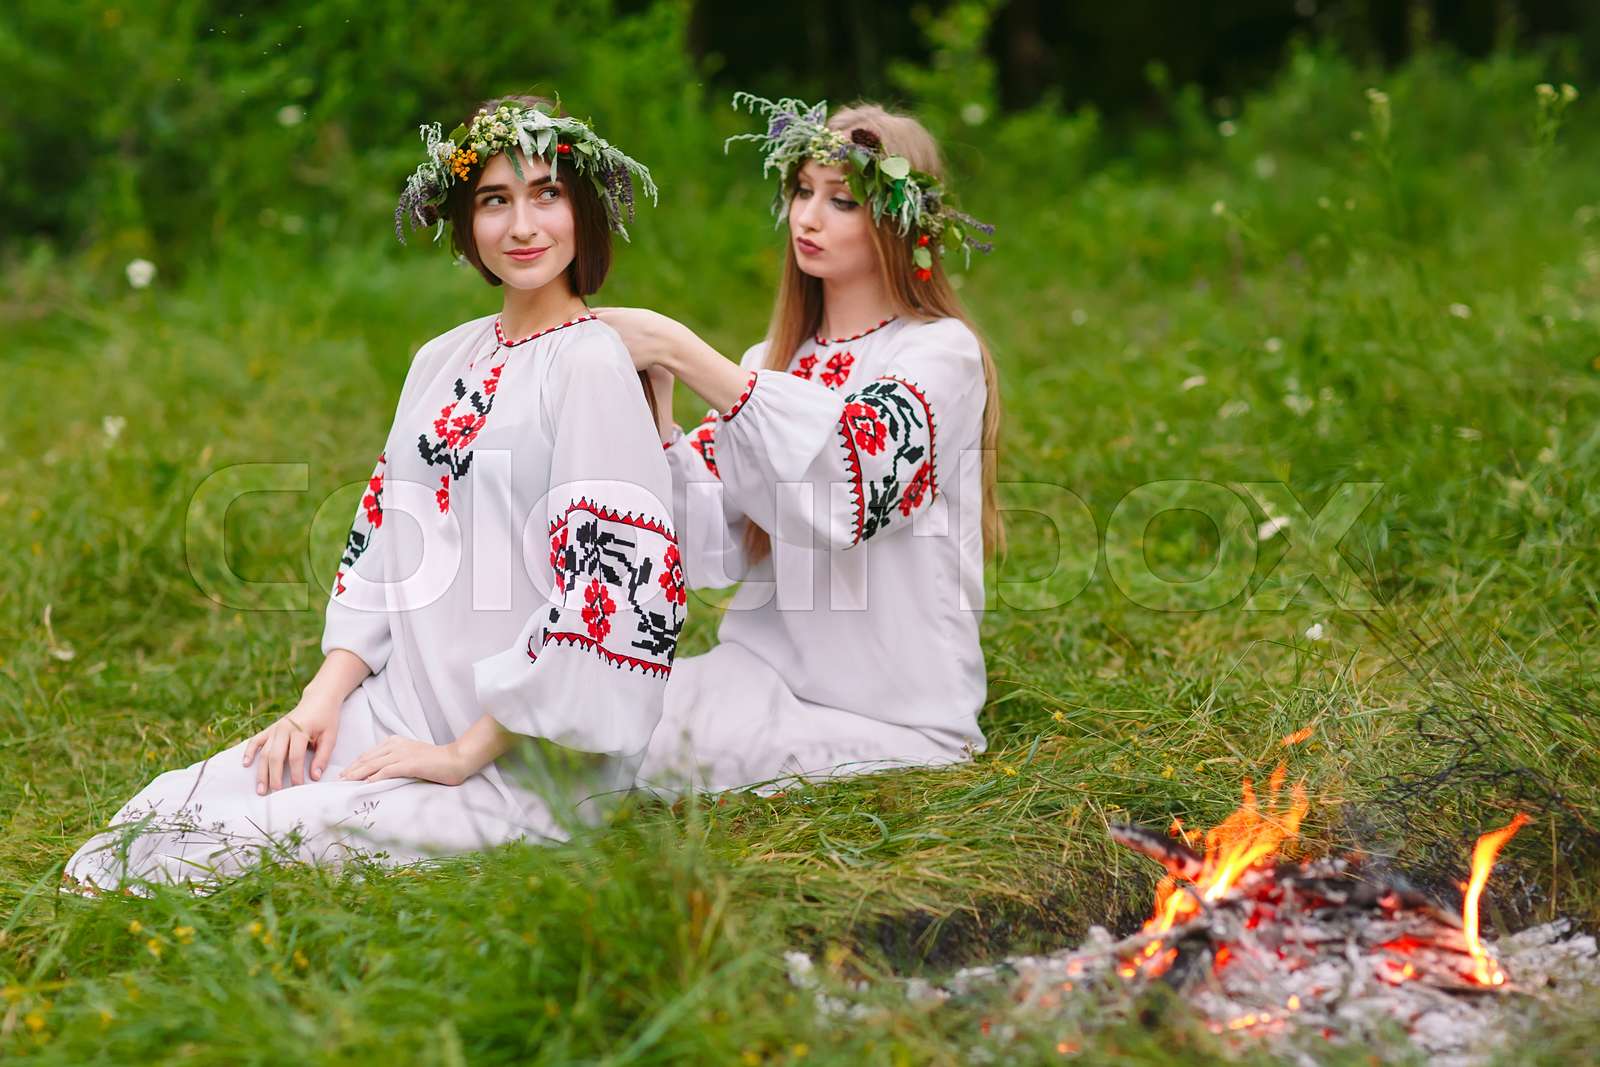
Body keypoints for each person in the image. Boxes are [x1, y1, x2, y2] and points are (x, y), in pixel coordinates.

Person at [63, 95, 683, 893]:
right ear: (465, 220)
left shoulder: (592, 363)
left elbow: (616, 596)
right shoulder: (440, 359)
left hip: (528, 755)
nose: (522, 226)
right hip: (406, 703)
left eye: (546, 195)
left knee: (237, 846)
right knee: (170, 811)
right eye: (495, 199)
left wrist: (462, 753)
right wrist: (321, 701)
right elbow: (390, 544)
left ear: (584, 209)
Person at [599, 95, 1003, 795]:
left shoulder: (939, 357)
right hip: (759, 673)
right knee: (595, 718)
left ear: (900, 221)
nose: (806, 217)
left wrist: (684, 350)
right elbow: (710, 544)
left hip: (895, 715)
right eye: (801, 192)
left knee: (630, 758)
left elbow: (850, 490)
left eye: (841, 200)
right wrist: (661, 415)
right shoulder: (770, 363)